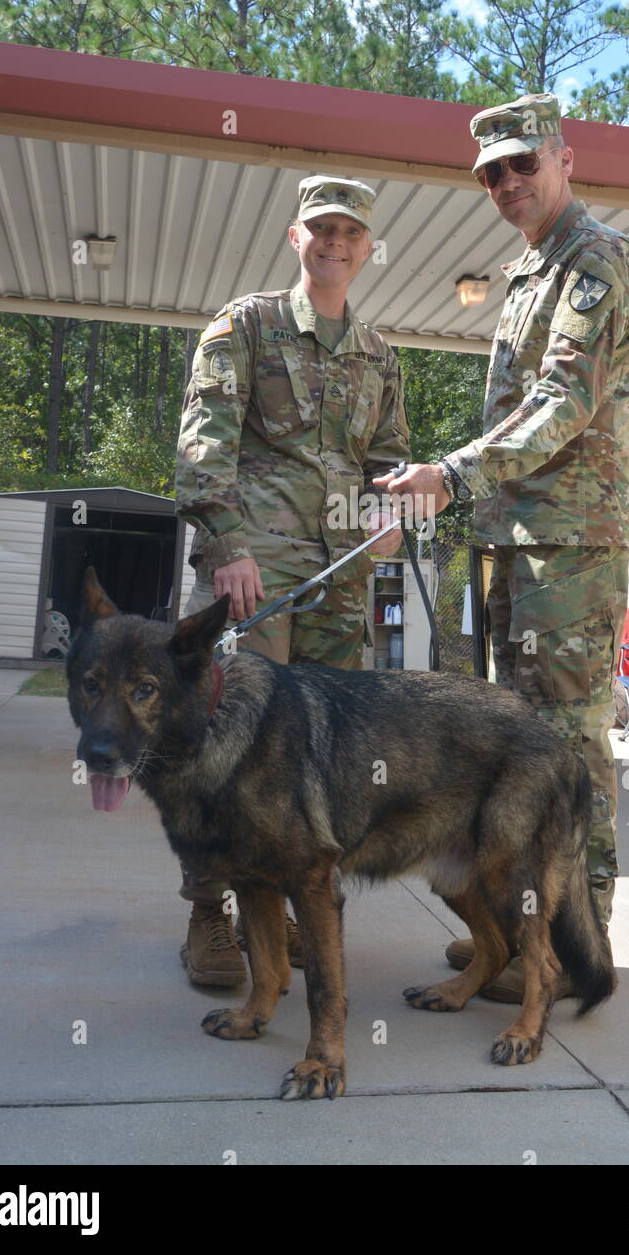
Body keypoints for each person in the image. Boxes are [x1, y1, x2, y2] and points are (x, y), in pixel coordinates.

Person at [377, 93, 629, 1001]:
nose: (505, 182)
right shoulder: (531, 270)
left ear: (564, 158)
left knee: (568, 743)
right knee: (519, 743)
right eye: (490, 172)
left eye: (521, 164)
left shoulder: (596, 262)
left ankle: (583, 944)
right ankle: (524, 929)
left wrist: (452, 475)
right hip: (518, 538)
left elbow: (564, 403)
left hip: (568, 543)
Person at [174, 174, 410, 984]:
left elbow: (385, 461)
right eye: (321, 229)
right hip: (254, 576)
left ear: (368, 248)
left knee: (324, 751)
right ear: (295, 237)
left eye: (350, 233)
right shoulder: (245, 324)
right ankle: (211, 913)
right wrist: (227, 546)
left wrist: (390, 515)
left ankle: (299, 910)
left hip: (340, 582)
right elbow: (204, 441)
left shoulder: (379, 354)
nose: (335, 244)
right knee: (226, 745)